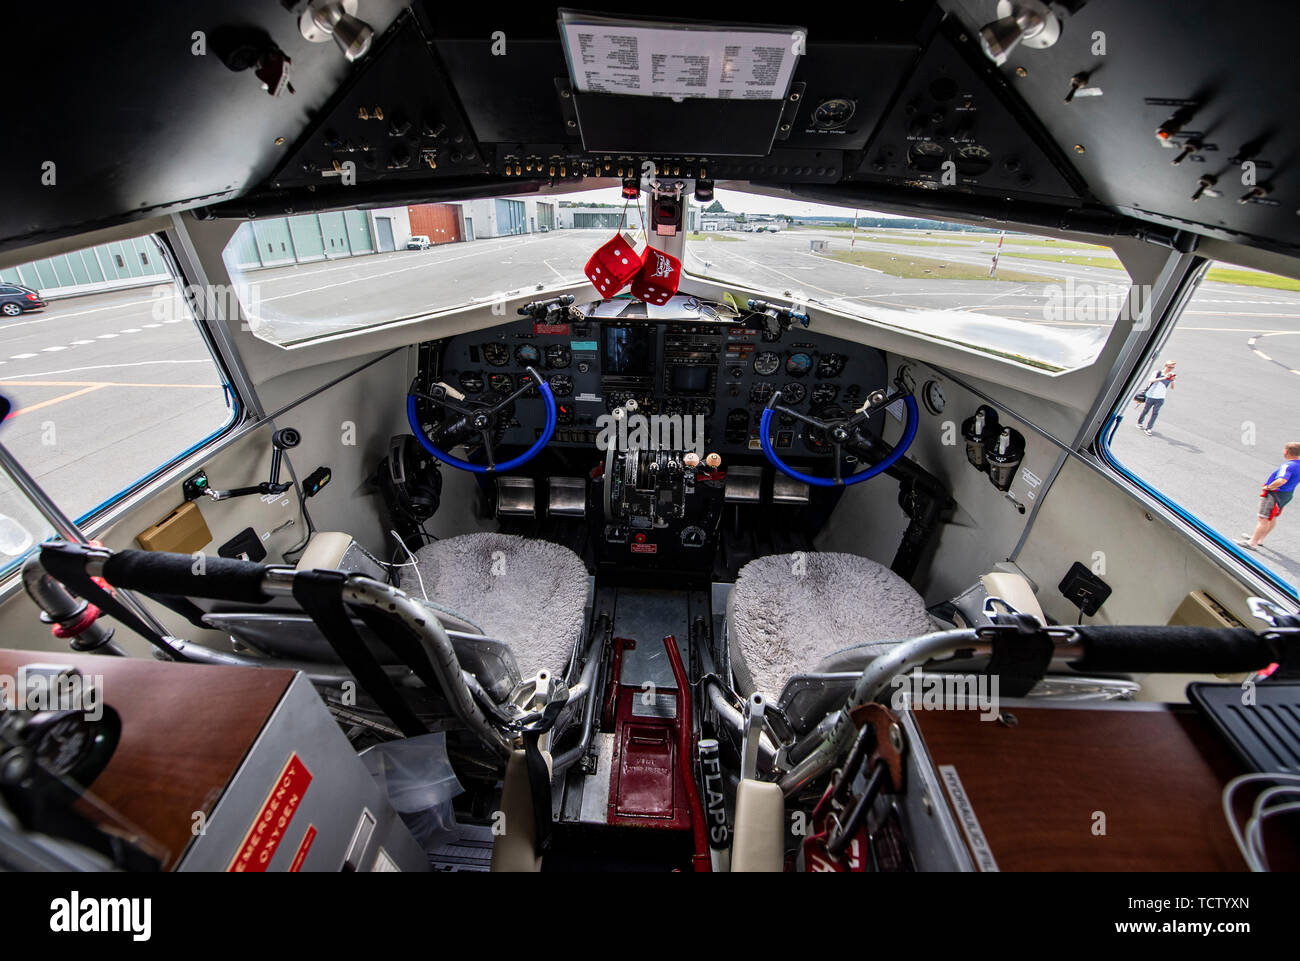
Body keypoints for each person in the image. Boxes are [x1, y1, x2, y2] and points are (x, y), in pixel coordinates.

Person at [1239, 442, 1300, 551]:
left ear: (1286, 451)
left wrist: (1269, 487)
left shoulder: (1288, 466)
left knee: (1264, 518)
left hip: (1275, 494)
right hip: (1287, 494)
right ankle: (1259, 539)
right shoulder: (1298, 464)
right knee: (1273, 517)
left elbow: (1282, 480)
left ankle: (1252, 543)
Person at [1134, 361, 1177, 435]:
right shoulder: (1157, 372)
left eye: (1172, 367)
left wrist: (1172, 380)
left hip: (1161, 397)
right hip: (1151, 395)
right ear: (1165, 365)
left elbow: (1172, 387)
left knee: (1155, 413)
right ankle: (1139, 422)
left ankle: (1149, 428)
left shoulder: (1172, 375)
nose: (1170, 369)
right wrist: (1164, 378)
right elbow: (1151, 380)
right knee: (1146, 410)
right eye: (1169, 367)